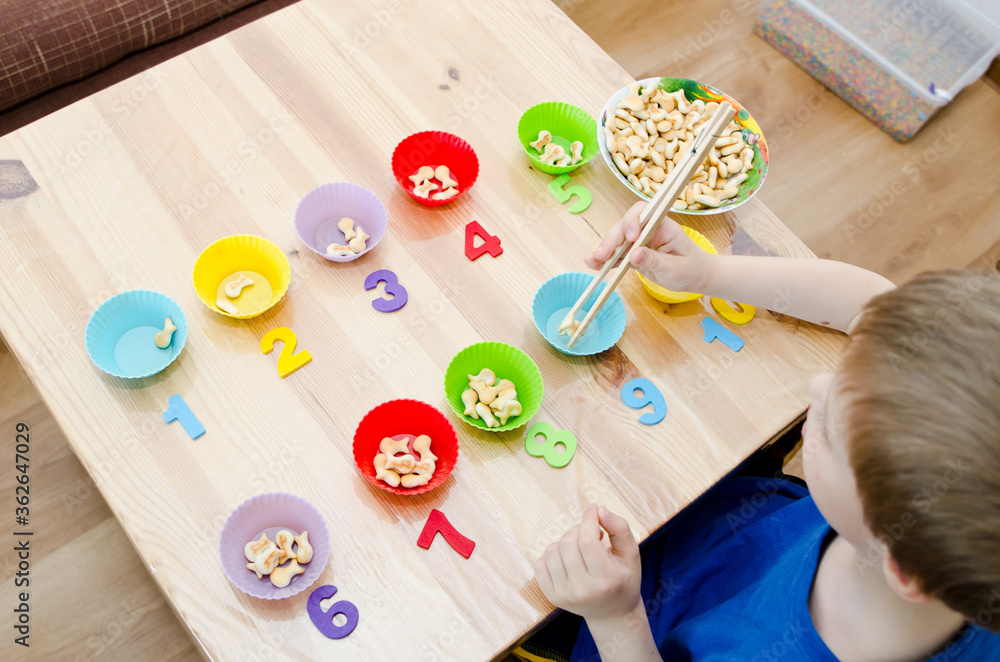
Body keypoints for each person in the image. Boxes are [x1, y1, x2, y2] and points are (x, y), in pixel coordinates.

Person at [520, 202, 1000, 661]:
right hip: (736, 526)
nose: (817, 386)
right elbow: (868, 305)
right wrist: (710, 274)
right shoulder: (929, 535)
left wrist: (617, 619)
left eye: (831, 433)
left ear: (902, 567)